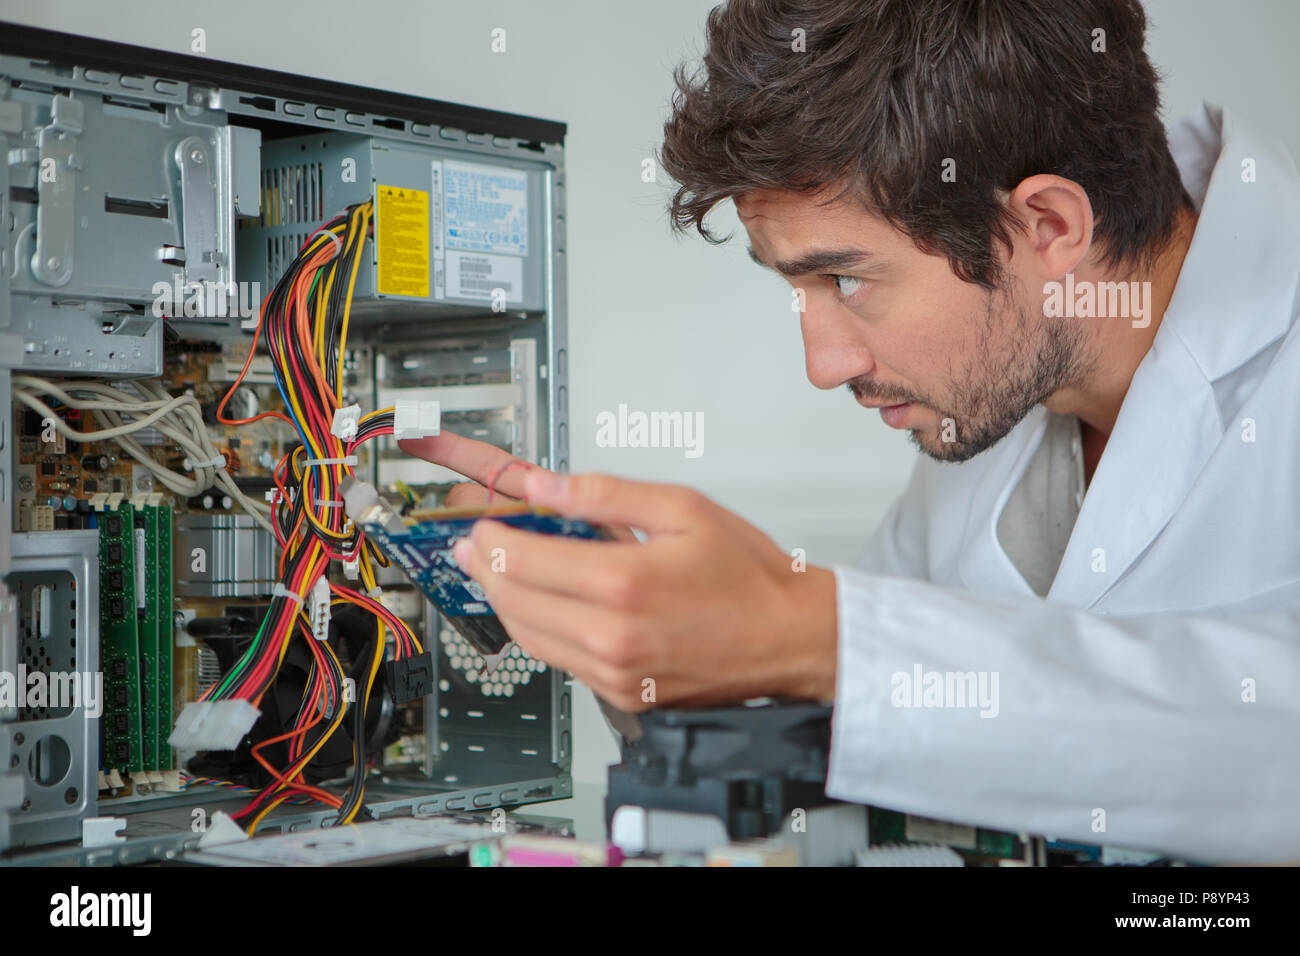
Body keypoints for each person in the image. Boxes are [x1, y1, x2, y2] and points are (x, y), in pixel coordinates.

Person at [400, 0, 1300, 862]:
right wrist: (648, 624)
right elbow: (857, 733)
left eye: (848, 281)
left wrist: (818, 631)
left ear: (1049, 225)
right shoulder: (996, 397)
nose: (823, 362)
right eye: (796, 287)